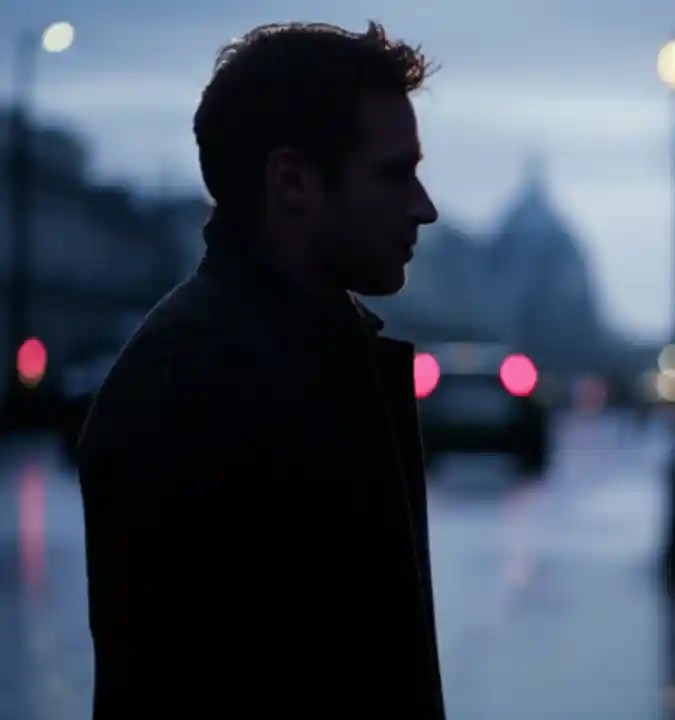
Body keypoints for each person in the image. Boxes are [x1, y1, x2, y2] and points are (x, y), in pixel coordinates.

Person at [77, 22, 446, 719]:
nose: (423, 207)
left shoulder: (303, 354)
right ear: (294, 182)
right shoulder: (188, 389)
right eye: (395, 173)